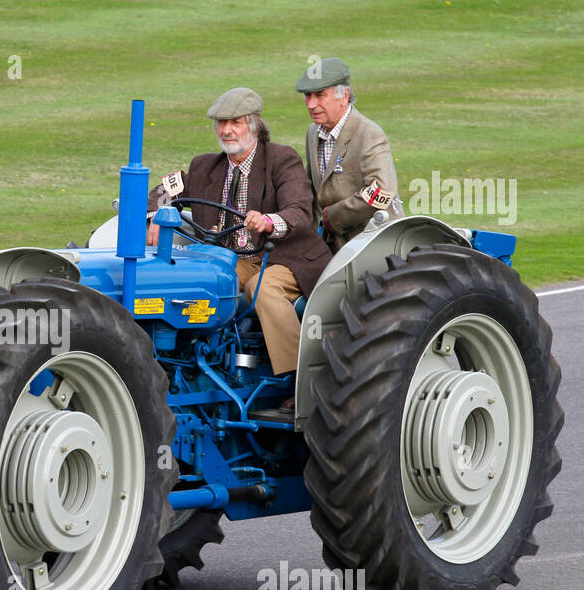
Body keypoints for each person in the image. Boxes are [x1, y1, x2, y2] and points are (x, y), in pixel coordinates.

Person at [147, 88, 332, 399]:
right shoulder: (204, 166)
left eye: (234, 122)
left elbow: (299, 210)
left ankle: (302, 383)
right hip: (230, 259)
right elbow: (163, 191)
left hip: (282, 257)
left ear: (254, 125)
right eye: (221, 123)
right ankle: (188, 367)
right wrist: (154, 214)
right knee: (196, 286)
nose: (226, 130)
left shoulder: (281, 160)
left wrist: (270, 221)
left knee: (262, 289)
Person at [296, 58, 401, 250]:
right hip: (332, 244)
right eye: (307, 96)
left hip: (373, 244)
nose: (311, 104)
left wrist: (335, 216)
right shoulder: (313, 132)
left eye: (320, 95)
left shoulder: (368, 133)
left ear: (344, 96)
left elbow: (382, 191)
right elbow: (310, 190)